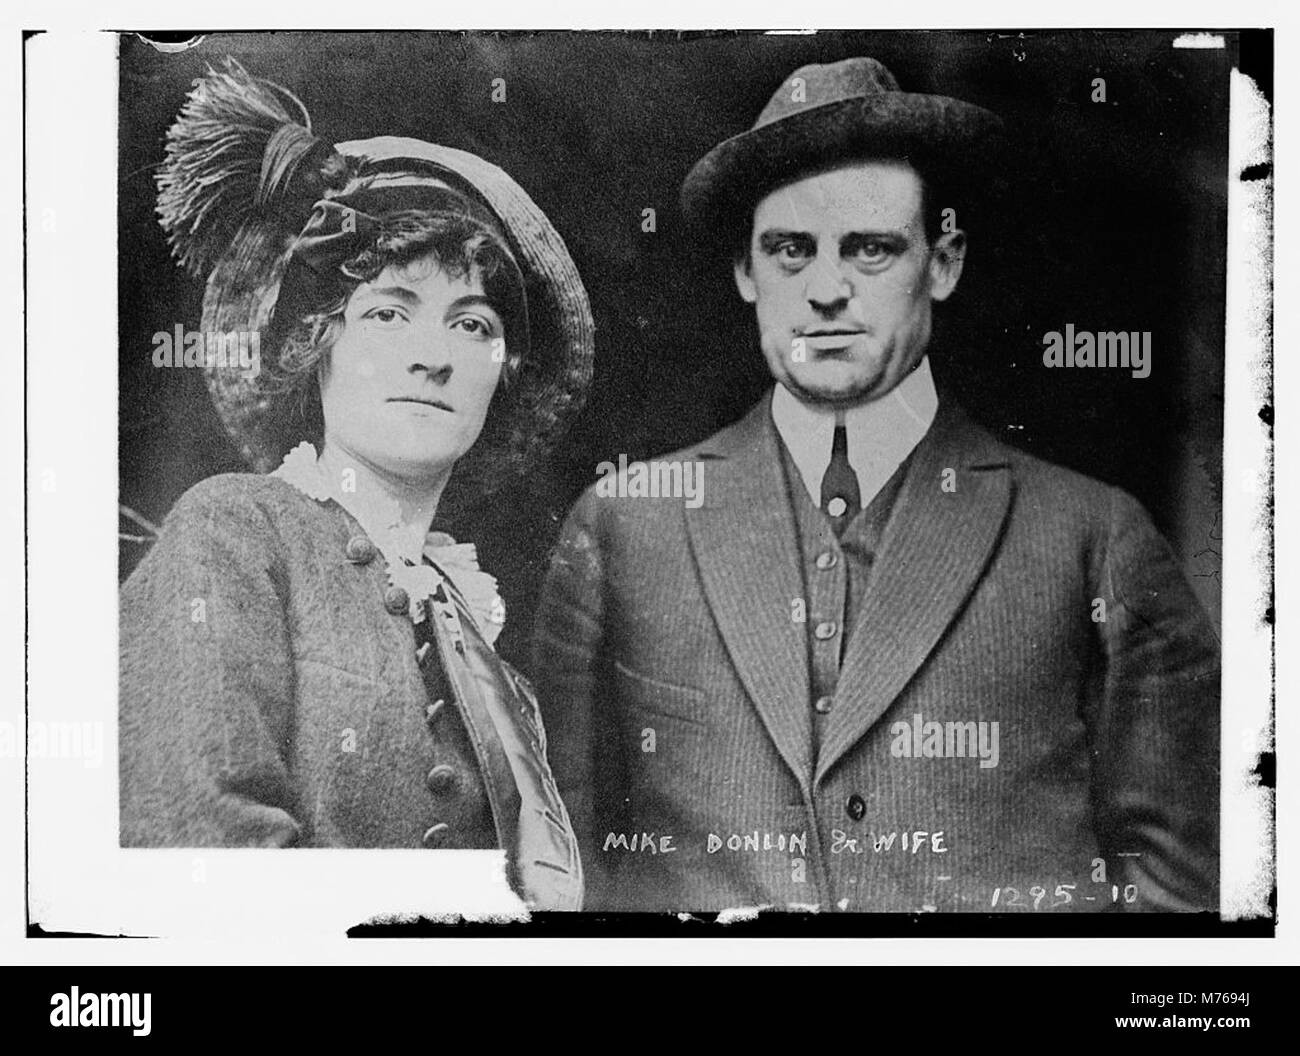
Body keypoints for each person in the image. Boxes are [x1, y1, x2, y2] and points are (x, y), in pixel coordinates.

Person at [532, 57, 1220, 913]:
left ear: (943, 262)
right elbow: (562, 882)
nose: (826, 289)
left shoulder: (1094, 539)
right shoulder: (623, 526)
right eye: (790, 251)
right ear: (746, 272)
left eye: (870, 248)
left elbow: (1180, 901)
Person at [120, 59, 593, 911]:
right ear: (315, 342)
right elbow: (201, 857)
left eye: (472, 324)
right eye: (387, 311)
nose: (432, 353)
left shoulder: (492, 657)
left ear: (502, 375)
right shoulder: (232, 535)